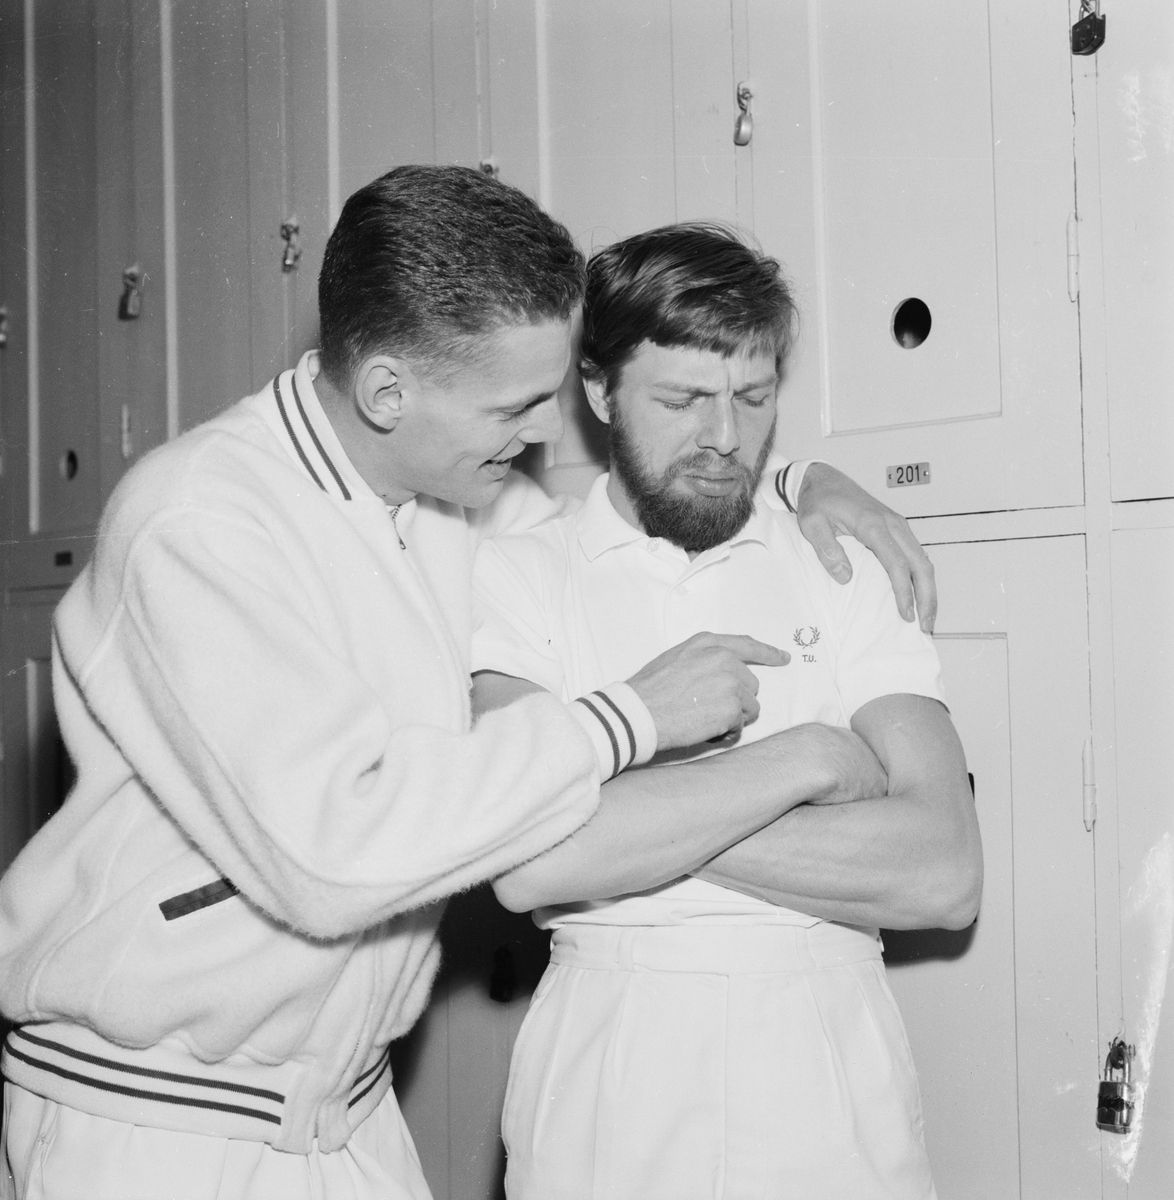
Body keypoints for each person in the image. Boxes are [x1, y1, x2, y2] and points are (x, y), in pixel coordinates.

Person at [0, 169, 936, 1200]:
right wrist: (631, 720)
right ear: (387, 393)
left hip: (346, 1112)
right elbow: (335, 856)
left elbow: (629, 515)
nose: (543, 434)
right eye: (516, 405)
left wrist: (800, 481)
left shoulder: (451, 490)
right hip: (157, 1122)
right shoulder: (201, 521)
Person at [471, 224, 983, 1200]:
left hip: (829, 1078)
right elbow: (526, 858)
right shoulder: (519, 575)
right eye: (680, 401)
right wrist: (804, 760)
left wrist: (623, 811)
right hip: (607, 1075)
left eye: (753, 398)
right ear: (598, 390)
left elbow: (944, 871)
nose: (724, 438)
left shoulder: (843, 563)